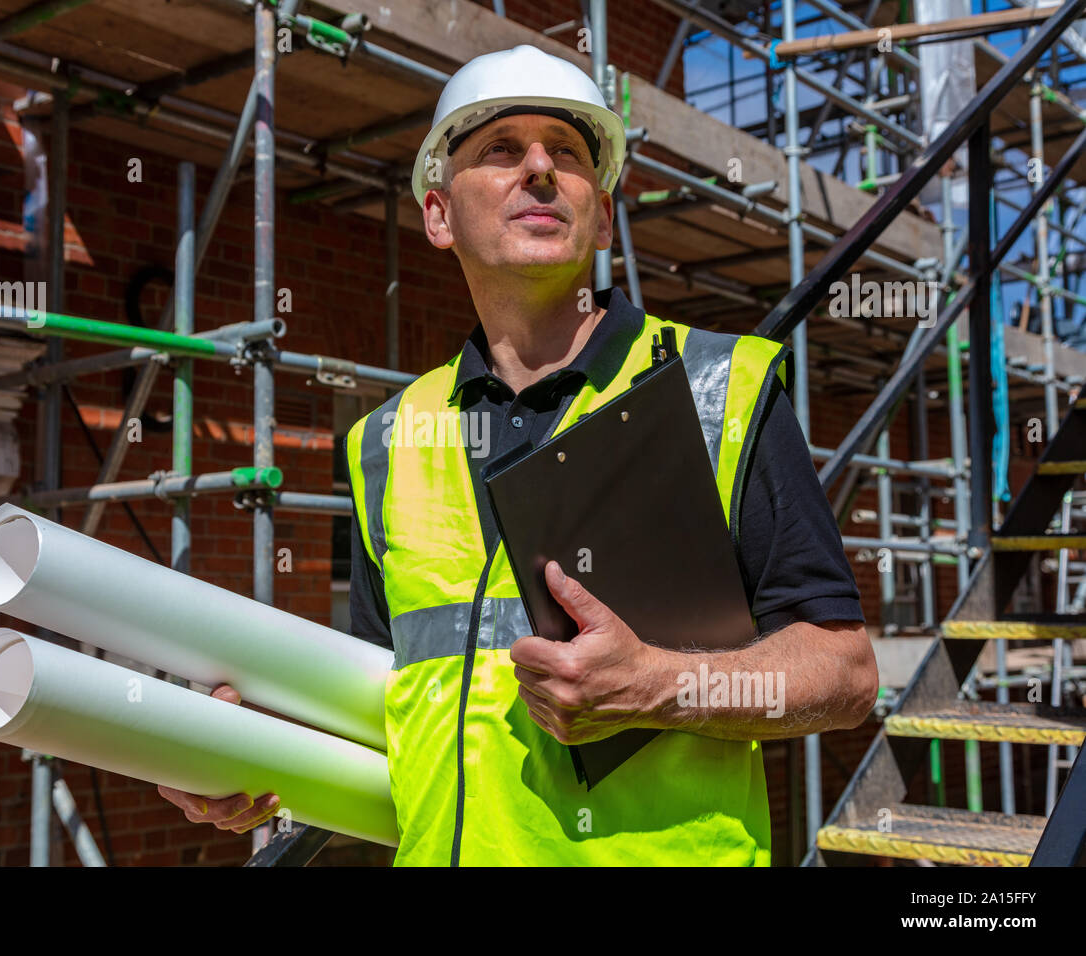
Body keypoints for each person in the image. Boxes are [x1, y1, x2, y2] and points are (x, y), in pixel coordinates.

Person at [161, 44, 876, 865]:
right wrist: (256, 750)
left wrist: (660, 686)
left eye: (567, 153)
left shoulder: (717, 388)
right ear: (439, 215)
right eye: (501, 148)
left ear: (601, 218)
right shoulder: (387, 440)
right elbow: (395, 704)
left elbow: (846, 675)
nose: (539, 168)